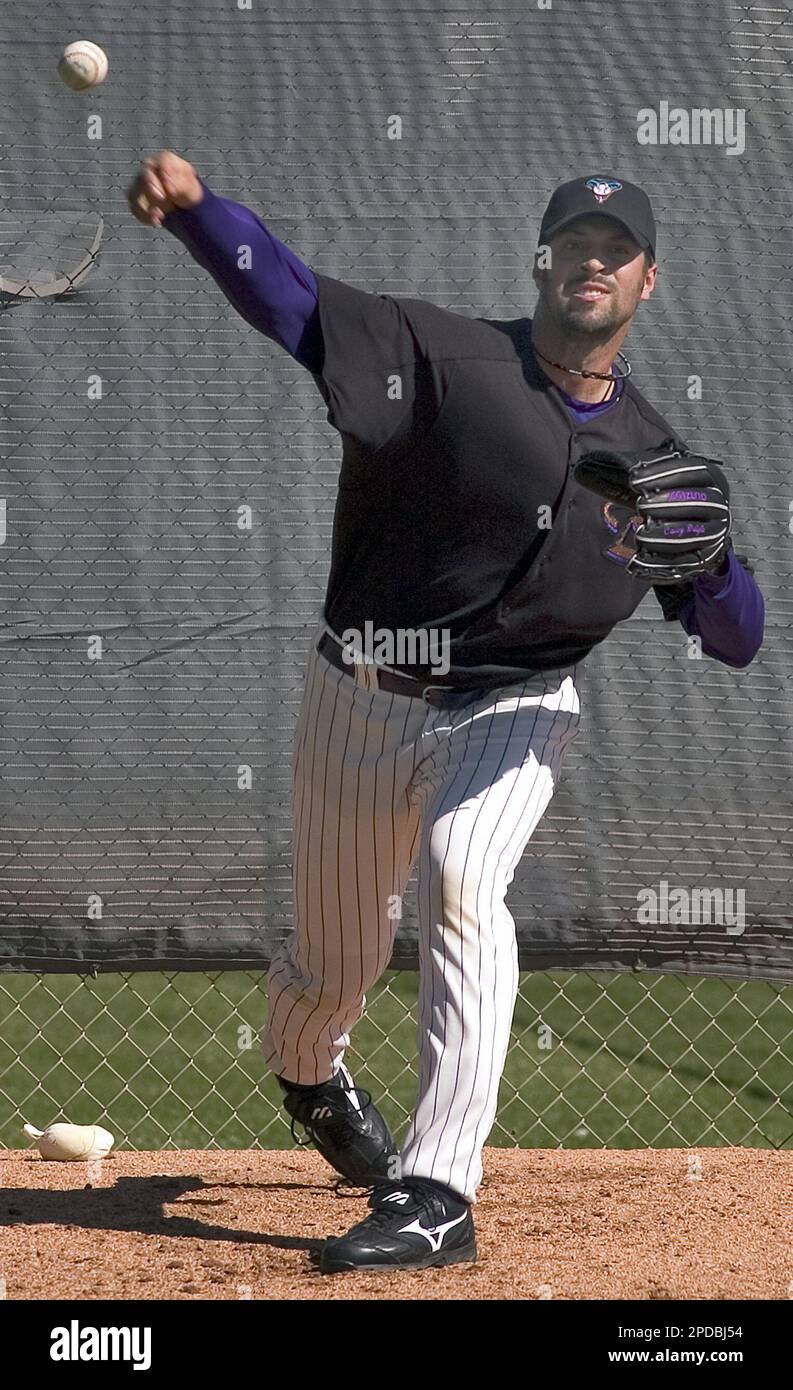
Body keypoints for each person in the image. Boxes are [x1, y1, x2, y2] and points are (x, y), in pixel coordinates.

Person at [127, 156, 764, 1274]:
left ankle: (435, 1190)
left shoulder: (659, 465)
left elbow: (737, 636)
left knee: (466, 874)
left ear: (646, 283)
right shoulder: (443, 361)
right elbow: (293, 299)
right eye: (573, 244)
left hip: (515, 704)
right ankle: (310, 1074)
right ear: (543, 262)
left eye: (614, 252)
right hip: (360, 696)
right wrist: (195, 214)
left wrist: (709, 569)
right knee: (334, 968)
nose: (592, 264)